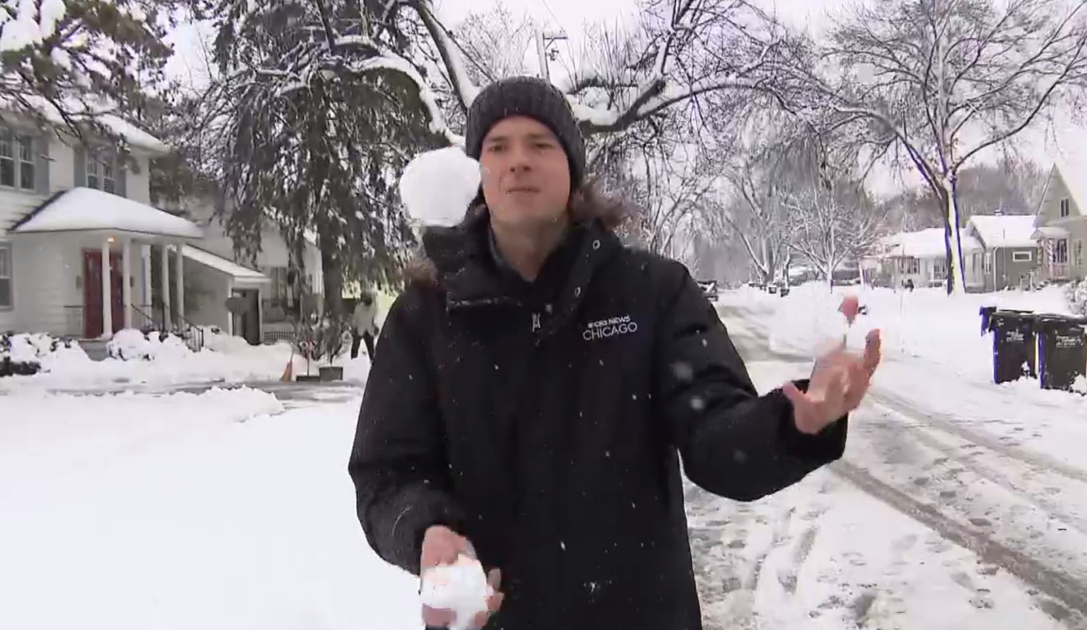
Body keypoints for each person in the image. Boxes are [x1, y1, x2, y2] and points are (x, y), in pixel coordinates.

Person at [349, 76, 881, 630]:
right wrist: (427, 532)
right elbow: (387, 472)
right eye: (497, 147)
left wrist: (796, 420)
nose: (518, 162)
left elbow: (718, 438)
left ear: (573, 170)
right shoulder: (426, 315)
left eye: (540, 144)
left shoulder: (652, 292)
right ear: (477, 173)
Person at [351, 290, 378, 360]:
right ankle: (354, 358)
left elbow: (374, 318)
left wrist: (375, 326)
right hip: (362, 329)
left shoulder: (372, 307)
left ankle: (372, 360)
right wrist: (354, 327)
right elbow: (355, 319)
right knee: (356, 345)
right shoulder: (360, 308)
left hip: (367, 329)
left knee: (371, 349)